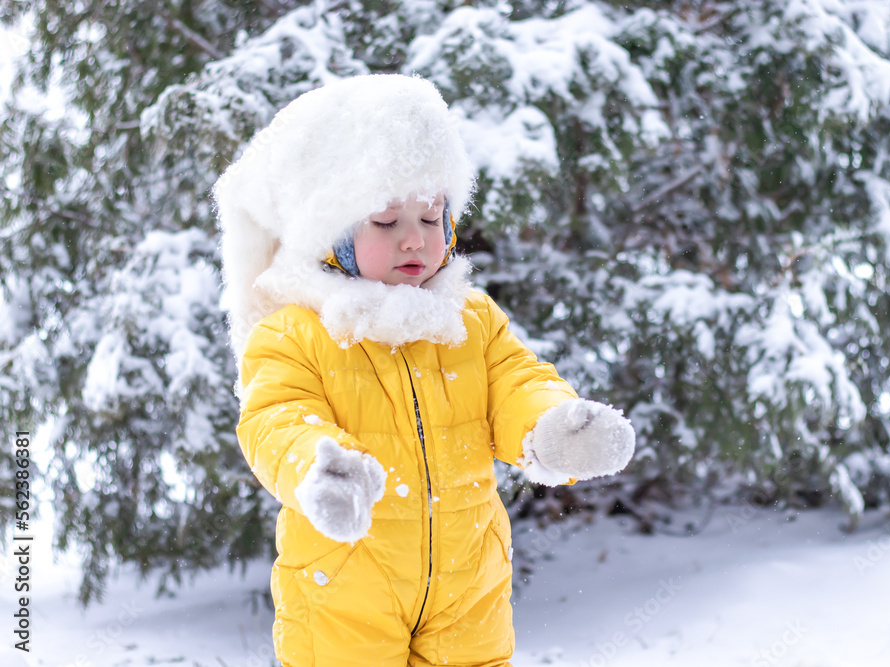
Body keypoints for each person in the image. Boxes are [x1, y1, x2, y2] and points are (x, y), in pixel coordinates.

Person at [213, 74, 635, 667]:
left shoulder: (470, 318)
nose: (415, 239)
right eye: (386, 222)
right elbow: (275, 419)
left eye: (432, 217)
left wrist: (551, 429)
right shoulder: (296, 331)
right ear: (331, 236)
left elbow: (516, 381)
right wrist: (320, 469)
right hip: (343, 593)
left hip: (468, 587)